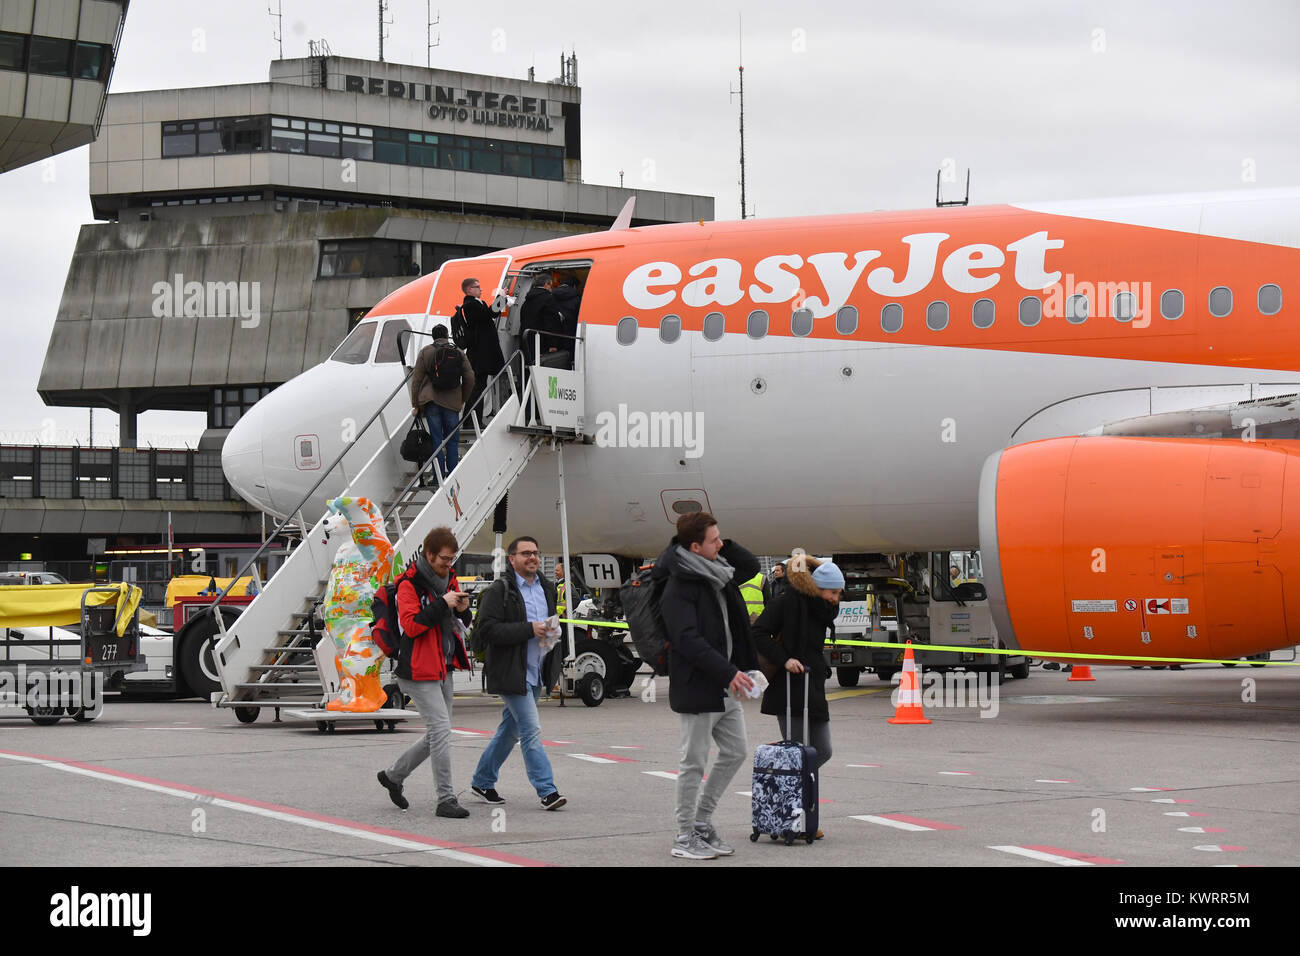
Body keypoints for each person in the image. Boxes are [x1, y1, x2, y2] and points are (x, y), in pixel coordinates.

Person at [654, 511, 759, 860]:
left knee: (736, 751)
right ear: (695, 547)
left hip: (724, 684)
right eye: (713, 541)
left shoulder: (717, 573)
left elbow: (752, 565)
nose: (721, 545)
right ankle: (684, 836)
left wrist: (719, 542)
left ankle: (702, 821)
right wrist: (727, 672)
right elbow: (686, 639)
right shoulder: (678, 585)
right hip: (700, 684)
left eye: (721, 539)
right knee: (693, 762)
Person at [376, 526, 474, 818]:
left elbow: (461, 623)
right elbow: (412, 626)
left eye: (452, 559)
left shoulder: (450, 579)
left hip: (443, 665)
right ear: (428, 555)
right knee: (442, 731)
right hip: (417, 669)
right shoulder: (408, 584)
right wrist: (441, 603)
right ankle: (445, 800)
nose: (448, 564)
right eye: (444, 559)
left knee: (438, 734)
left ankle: (393, 776)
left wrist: (463, 609)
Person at [470, 535, 567, 810]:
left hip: (537, 668)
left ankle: (482, 780)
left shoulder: (546, 587)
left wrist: (552, 632)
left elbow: (548, 623)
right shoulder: (500, 590)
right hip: (511, 671)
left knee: (509, 730)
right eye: (525, 553)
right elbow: (486, 630)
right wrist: (528, 629)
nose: (532, 557)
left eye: (535, 553)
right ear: (512, 559)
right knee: (531, 729)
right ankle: (547, 790)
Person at [751, 554, 843, 840]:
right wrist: (785, 658)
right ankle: (795, 817)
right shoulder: (786, 603)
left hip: (812, 684)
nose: (836, 598)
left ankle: (785, 795)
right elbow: (758, 633)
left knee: (821, 750)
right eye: (833, 591)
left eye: (839, 592)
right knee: (797, 754)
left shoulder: (822, 609)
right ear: (818, 587)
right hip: (788, 686)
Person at [410, 323, 474, 483]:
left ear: (433, 336)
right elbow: (470, 377)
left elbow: (416, 380)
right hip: (452, 403)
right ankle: (452, 476)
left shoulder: (426, 352)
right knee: (452, 441)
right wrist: (462, 398)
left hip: (432, 402)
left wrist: (416, 404)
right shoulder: (458, 352)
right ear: (447, 336)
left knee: (436, 440)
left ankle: (438, 478)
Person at [453, 277, 507, 418]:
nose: (481, 289)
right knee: (477, 387)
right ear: (469, 290)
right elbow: (489, 314)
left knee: (479, 386)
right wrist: (500, 298)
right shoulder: (470, 305)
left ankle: (472, 418)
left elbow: (491, 313)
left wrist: (501, 299)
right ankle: (471, 419)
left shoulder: (477, 303)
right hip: (479, 354)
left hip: (481, 353)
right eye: (477, 287)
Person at [519, 274, 566, 365]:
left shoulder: (527, 300)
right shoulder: (548, 298)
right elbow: (552, 323)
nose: (551, 289)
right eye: (551, 286)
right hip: (542, 343)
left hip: (528, 341)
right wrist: (553, 344)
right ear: (546, 284)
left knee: (529, 368)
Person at [551, 274, 582, 341]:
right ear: (574, 286)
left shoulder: (551, 294)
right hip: (570, 331)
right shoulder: (577, 297)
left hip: (554, 332)